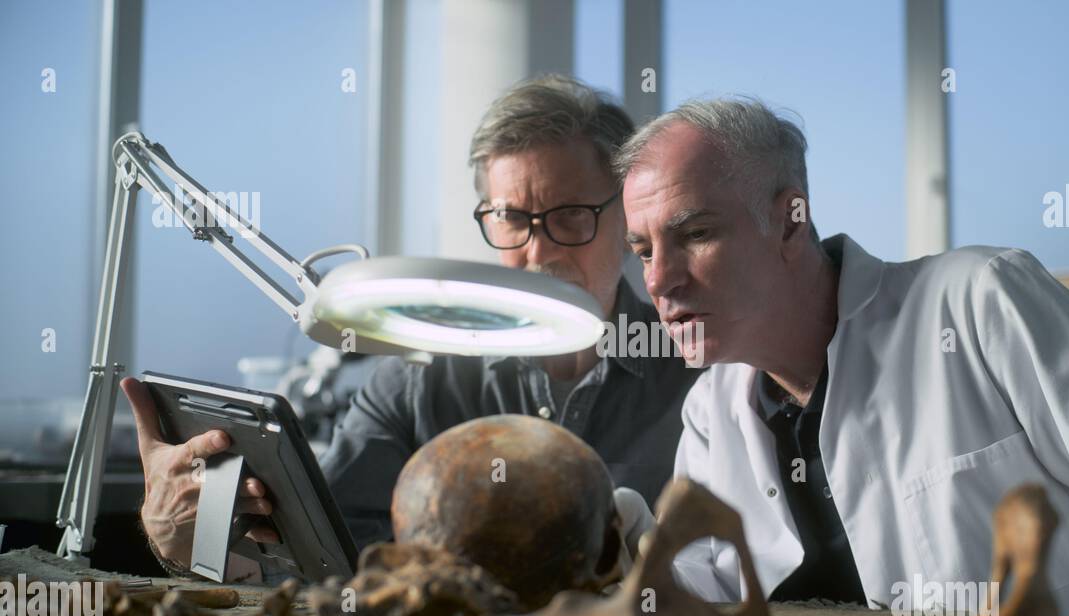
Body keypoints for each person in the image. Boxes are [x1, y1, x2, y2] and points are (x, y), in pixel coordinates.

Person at [614, 97, 1069, 616]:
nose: (659, 281)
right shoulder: (712, 409)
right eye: (642, 249)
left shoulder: (980, 300)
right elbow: (710, 590)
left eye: (695, 234)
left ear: (790, 220)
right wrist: (624, 538)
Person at [124, 75, 699, 580]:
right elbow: (319, 565)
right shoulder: (419, 377)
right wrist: (183, 543)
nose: (538, 252)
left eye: (571, 215)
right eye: (512, 219)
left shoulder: (701, 370)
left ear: (625, 215)